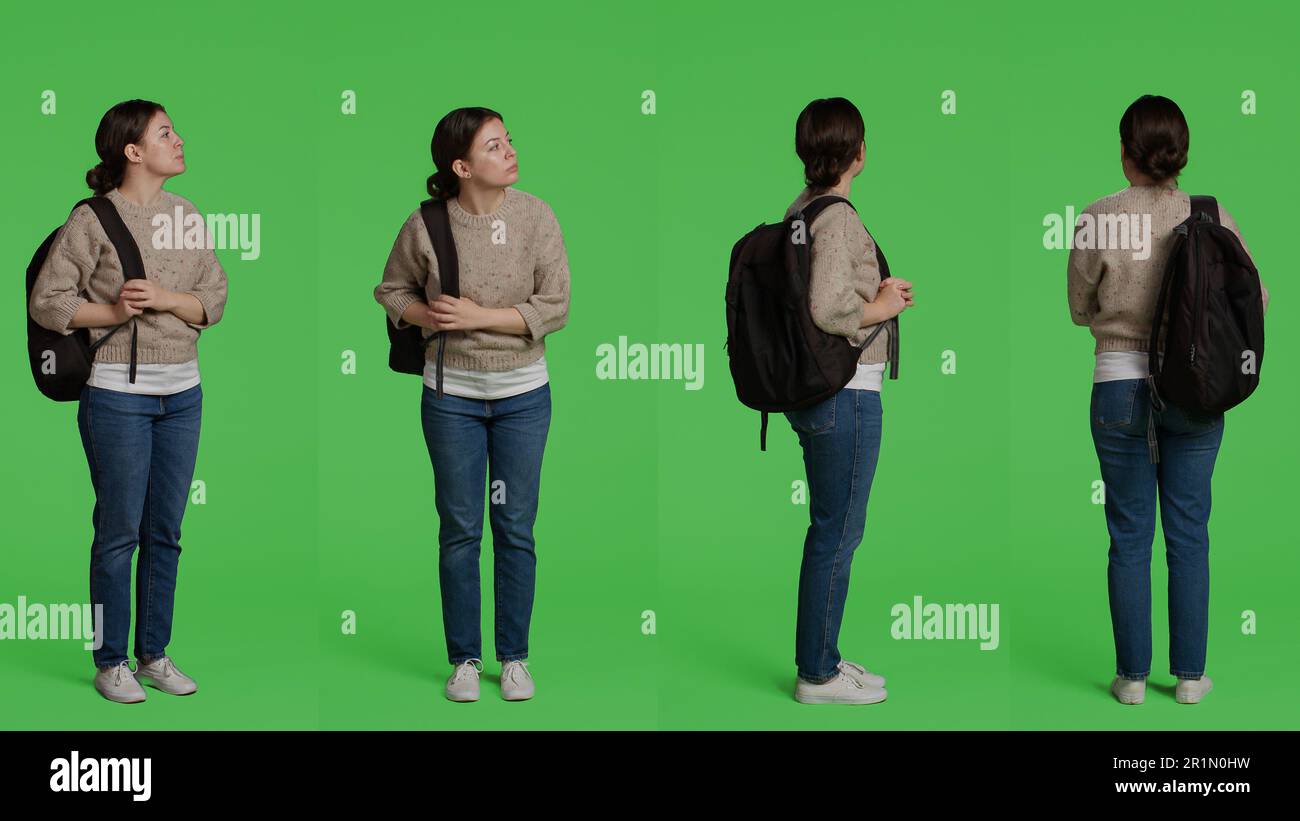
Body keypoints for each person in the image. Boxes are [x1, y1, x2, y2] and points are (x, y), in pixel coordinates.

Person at [1067, 94, 1269, 705]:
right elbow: (1255, 302)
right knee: (1189, 532)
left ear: (1126, 152)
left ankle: (1130, 677)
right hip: (1197, 387)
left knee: (1128, 534)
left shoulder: (1097, 217)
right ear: (1181, 154)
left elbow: (1080, 312)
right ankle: (1188, 677)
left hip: (1118, 385)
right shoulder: (1213, 216)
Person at [29, 99, 228, 703]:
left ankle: (154, 655)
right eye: (166, 133)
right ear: (132, 151)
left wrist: (167, 299)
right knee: (119, 531)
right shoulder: (91, 220)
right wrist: (113, 313)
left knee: (165, 530)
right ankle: (110, 659)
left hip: (183, 394)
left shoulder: (188, 216)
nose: (180, 139)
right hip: (117, 395)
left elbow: (213, 301)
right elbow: (48, 302)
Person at [374, 107, 570, 703]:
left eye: (509, 139)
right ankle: (463, 658)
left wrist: (481, 317)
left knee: (515, 526)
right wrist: (425, 314)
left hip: (523, 396)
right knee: (459, 529)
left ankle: (514, 658)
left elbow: (556, 305)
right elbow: (390, 290)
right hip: (449, 397)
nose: (509, 150)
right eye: (493, 145)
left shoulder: (537, 216)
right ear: (461, 166)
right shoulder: (427, 224)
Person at [782, 98, 914, 704]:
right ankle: (818, 675)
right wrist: (882, 307)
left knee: (829, 529)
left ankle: (824, 657)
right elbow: (827, 308)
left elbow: (824, 288)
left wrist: (873, 287)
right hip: (846, 394)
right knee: (837, 532)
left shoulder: (802, 210)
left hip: (817, 393)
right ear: (858, 152)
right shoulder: (838, 218)